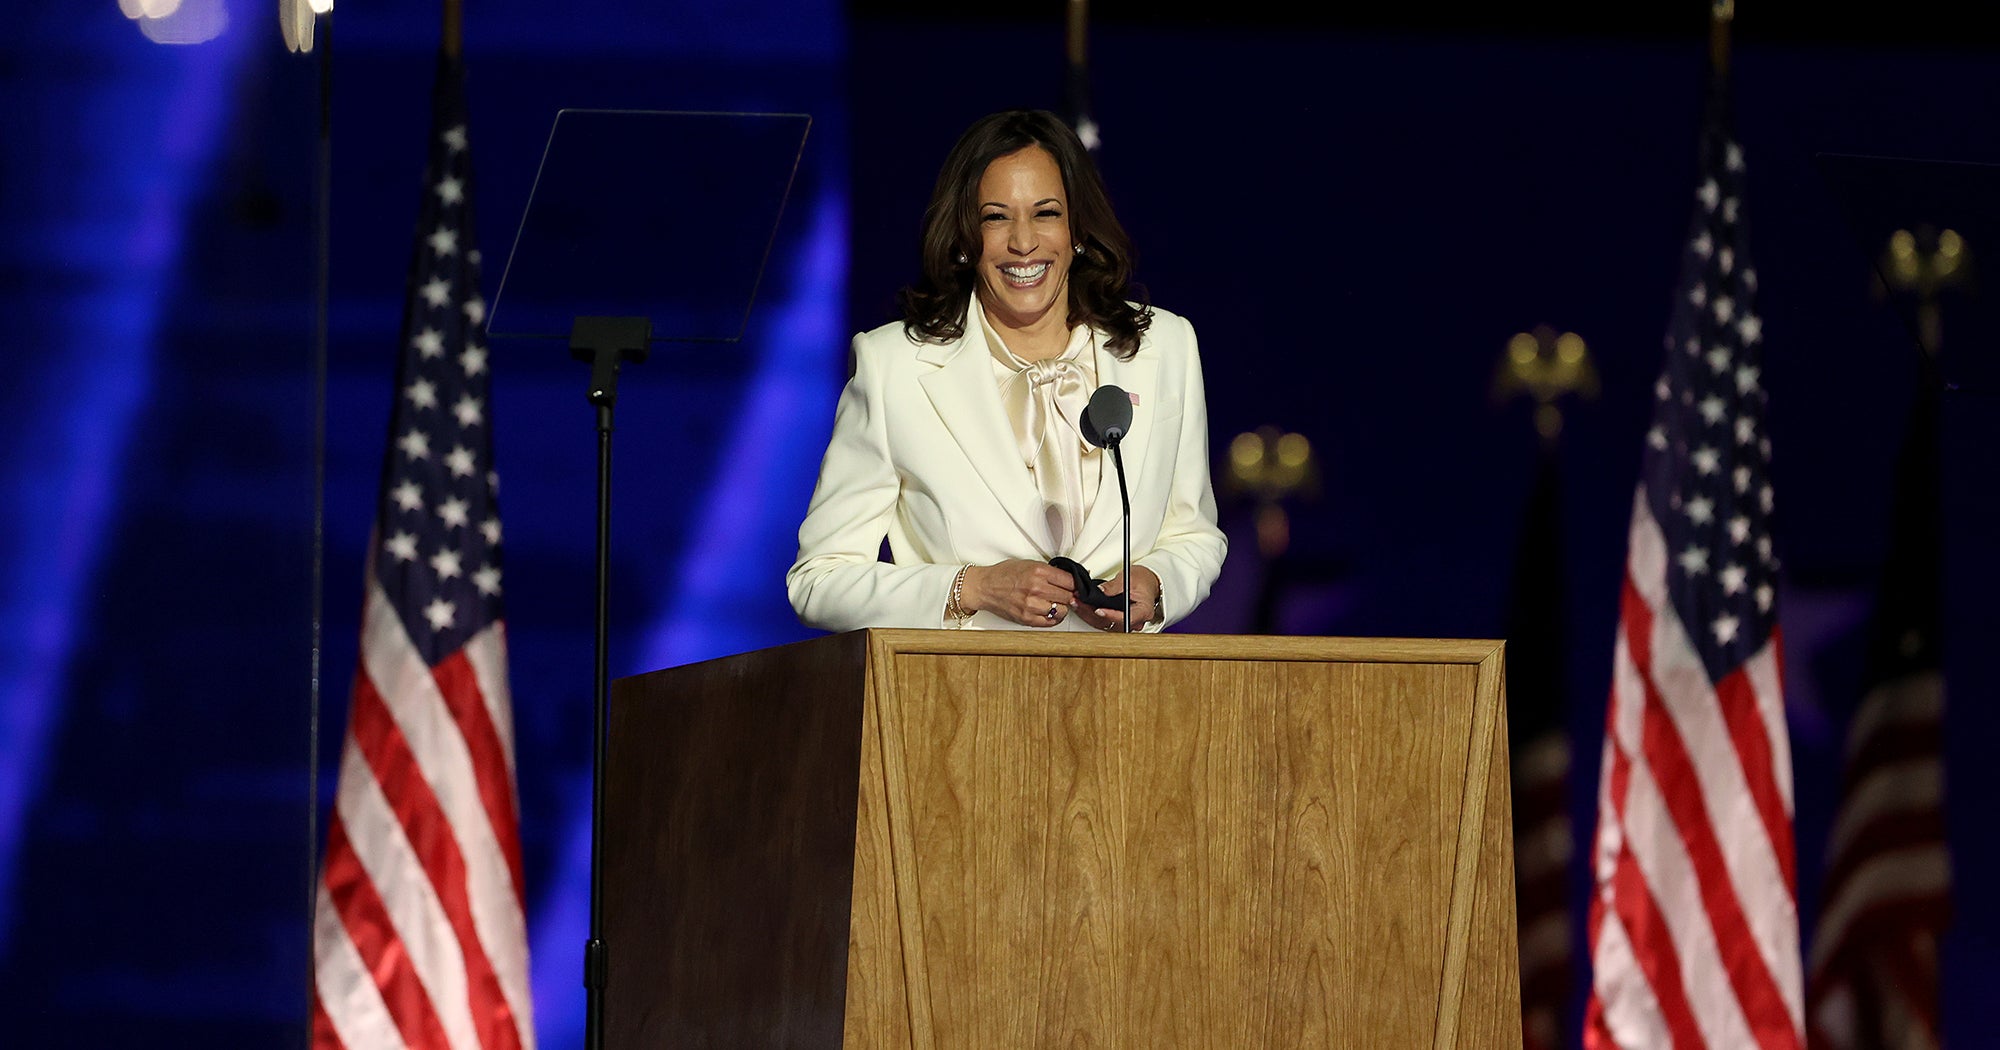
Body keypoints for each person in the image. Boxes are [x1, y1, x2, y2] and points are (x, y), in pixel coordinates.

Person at [787, 109, 1226, 632]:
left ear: (1077, 228)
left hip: (1125, 701)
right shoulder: (894, 368)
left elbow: (1195, 535)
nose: (1023, 243)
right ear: (966, 236)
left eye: (1045, 213)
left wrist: (1157, 585)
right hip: (959, 702)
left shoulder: (1165, 347)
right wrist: (971, 587)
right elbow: (819, 579)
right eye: (996, 217)